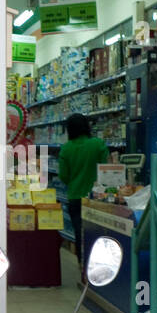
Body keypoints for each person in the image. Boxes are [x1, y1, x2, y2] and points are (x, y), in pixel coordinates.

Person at [56, 114, 109, 279]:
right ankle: (102, 271)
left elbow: (63, 176)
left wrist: (75, 179)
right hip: (97, 199)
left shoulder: (67, 148)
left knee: (81, 235)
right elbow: (106, 170)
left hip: (75, 197)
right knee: (99, 235)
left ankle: (84, 271)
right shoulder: (98, 144)